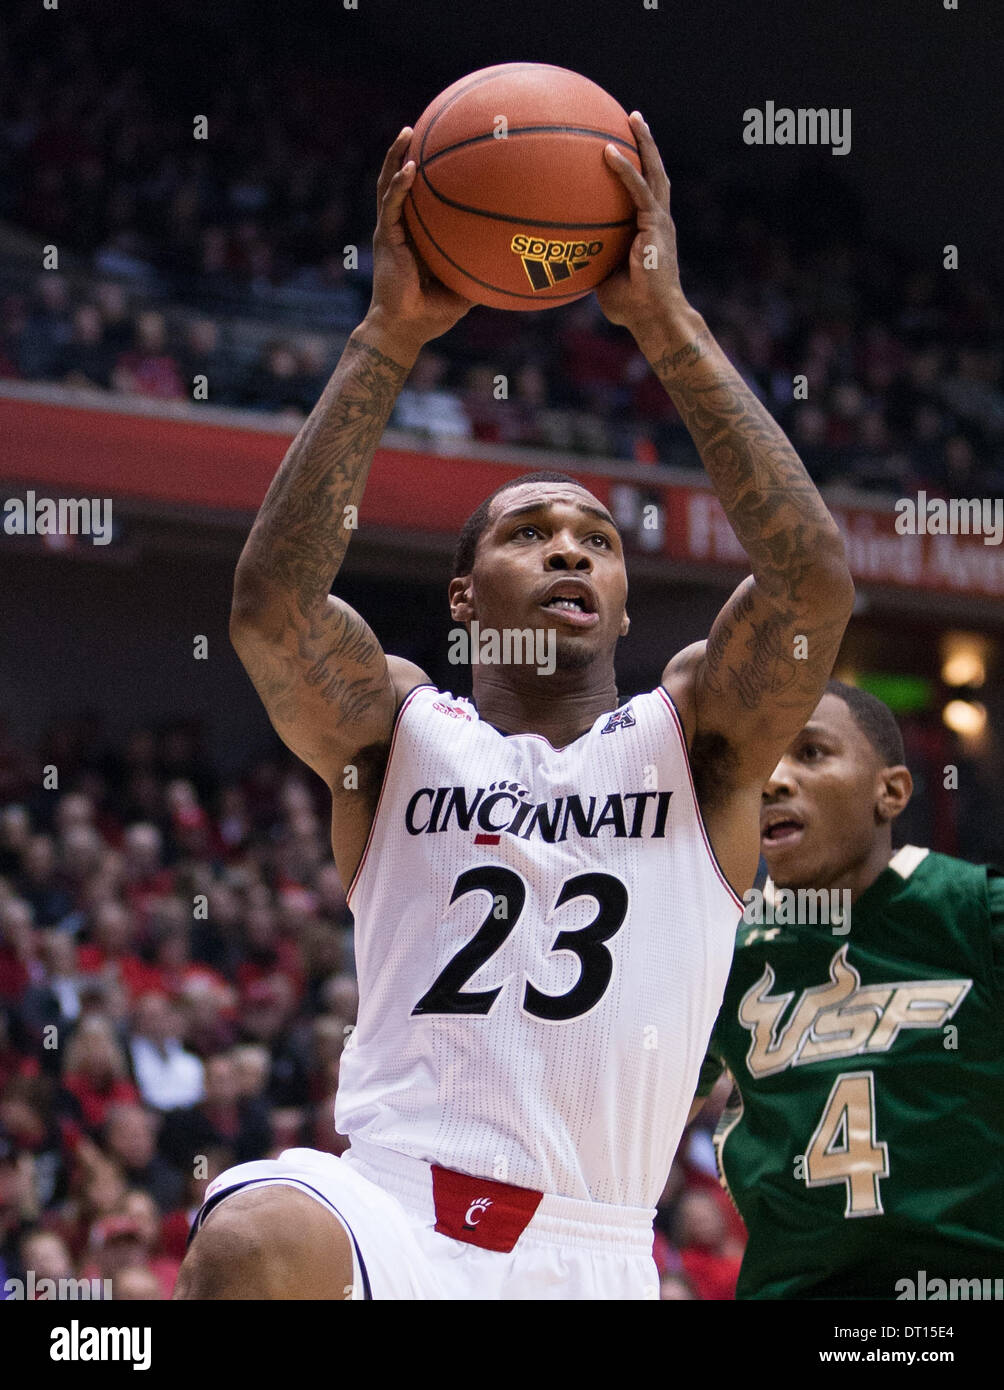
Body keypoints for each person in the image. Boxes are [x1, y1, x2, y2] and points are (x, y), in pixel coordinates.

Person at [174, 113, 853, 1301]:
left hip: (588, 1249)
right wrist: (387, 337)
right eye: (528, 533)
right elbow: (269, 614)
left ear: (627, 596)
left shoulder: (694, 738)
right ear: (461, 589)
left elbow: (810, 587)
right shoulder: (398, 731)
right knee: (253, 1240)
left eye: (595, 538)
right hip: (388, 1202)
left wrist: (665, 323)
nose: (568, 553)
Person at [688, 681, 1004, 1298]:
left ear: (890, 792)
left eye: (810, 754)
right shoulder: (719, 950)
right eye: (764, 762)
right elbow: (627, 1118)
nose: (775, 779)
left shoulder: (972, 912)